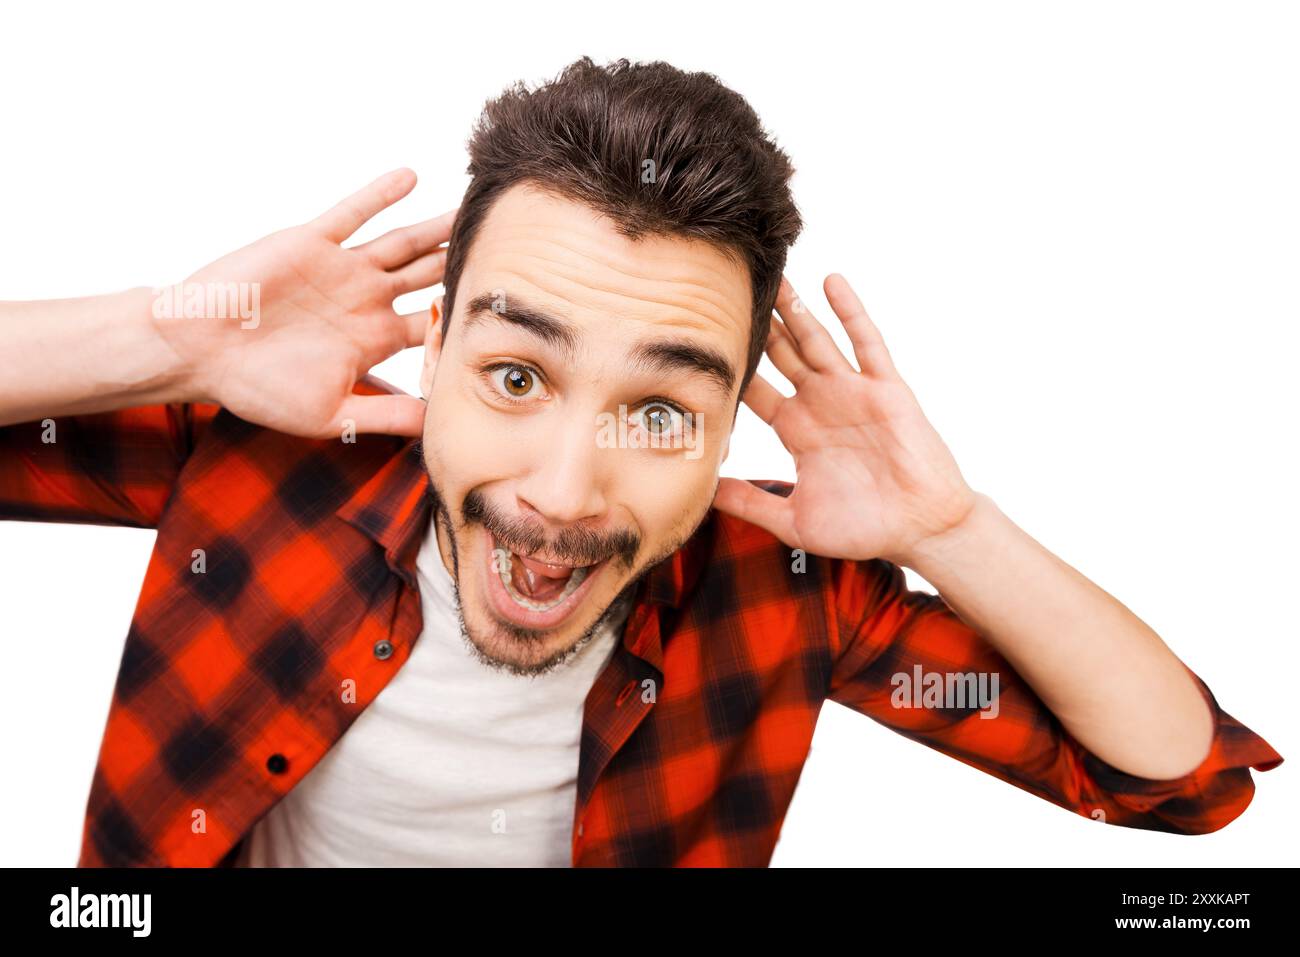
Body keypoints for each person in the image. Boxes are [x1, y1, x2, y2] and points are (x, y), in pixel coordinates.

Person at [0, 57, 1282, 867]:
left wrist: (946, 527)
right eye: (514, 377)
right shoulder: (264, 471)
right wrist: (166, 338)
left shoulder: (788, 600)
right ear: (433, 350)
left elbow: (1171, 777)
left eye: (661, 413)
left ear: (731, 430)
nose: (562, 493)